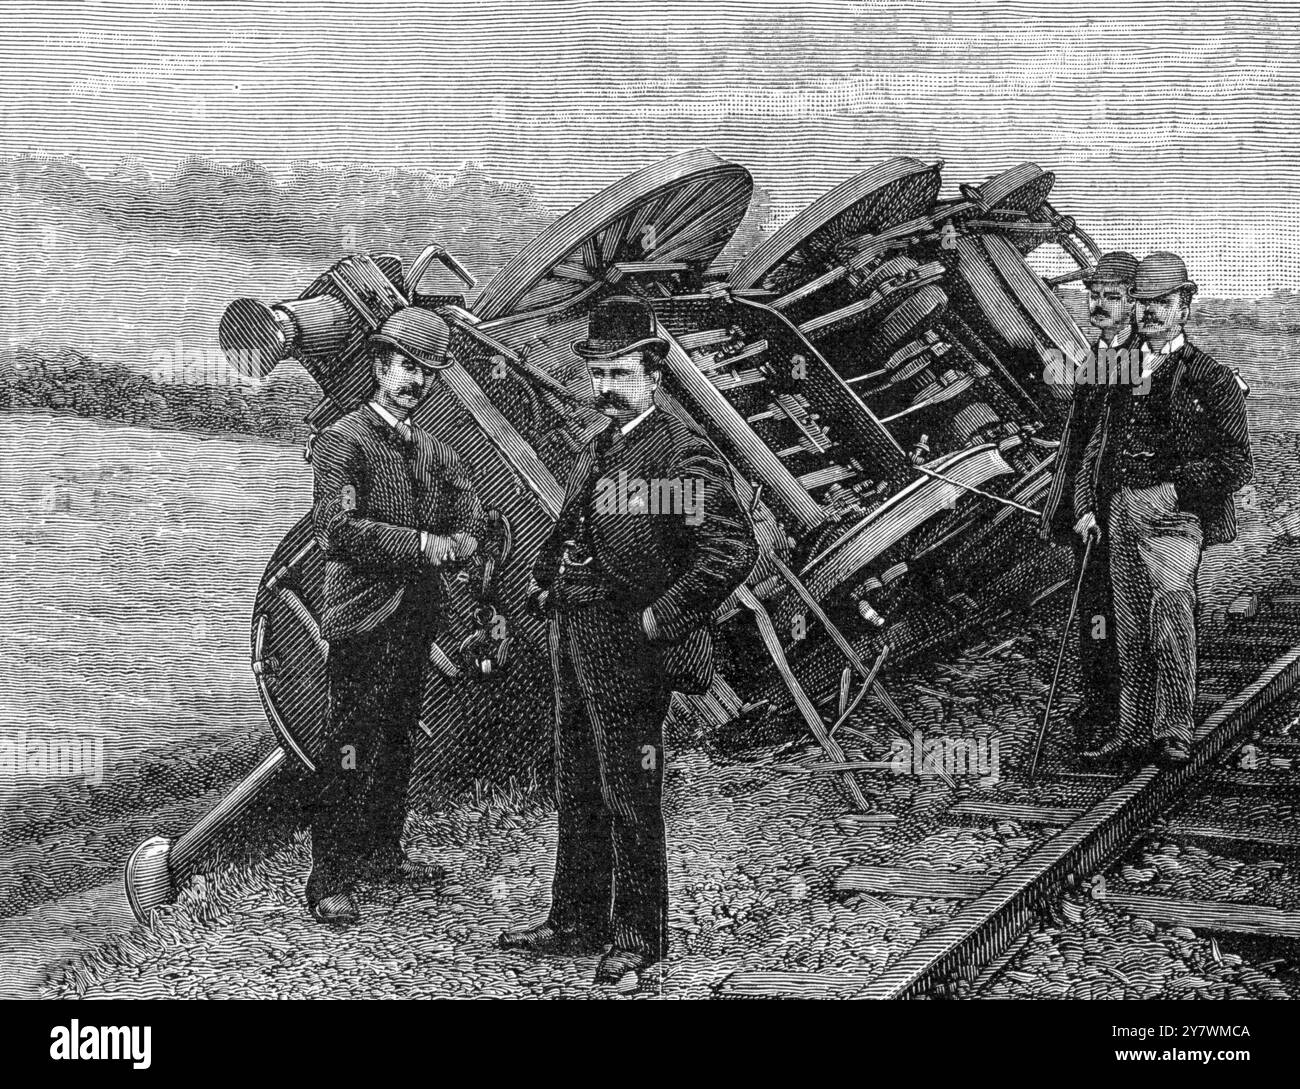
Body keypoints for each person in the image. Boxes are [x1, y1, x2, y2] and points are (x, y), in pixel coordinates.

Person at [500, 296, 759, 983]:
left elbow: (730, 550)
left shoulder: (679, 451)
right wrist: (543, 580)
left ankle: (639, 935)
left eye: (616, 374)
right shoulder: (601, 444)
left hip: (631, 645)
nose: (603, 389)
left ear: (652, 373)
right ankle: (575, 920)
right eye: (596, 374)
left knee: (630, 791)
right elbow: (573, 526)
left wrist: (657, 620)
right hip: (574, 634)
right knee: (578, 783)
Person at [307, 308, 483, 923]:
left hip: (416, 614)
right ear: (381, 367)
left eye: (426, 371)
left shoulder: (436, 450)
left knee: (398, 735)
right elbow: (338, 530)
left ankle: (381, 853)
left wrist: (466, 540)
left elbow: (471, 517)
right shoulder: (342, 439)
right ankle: (329, 877)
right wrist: (429, 545)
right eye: (406, 366)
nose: (415, 381)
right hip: (362, 615)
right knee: (349, 742)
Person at [1073, 253, 1252, 766]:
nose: (1150, 312)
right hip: (1120, 512)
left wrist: (1174, 491)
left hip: (1173, 518)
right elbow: (1096, 447)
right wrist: (1087, 506)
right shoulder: (1121, 367)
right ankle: (1132, 730)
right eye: (1145, 303)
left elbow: (1236, 463)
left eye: (1162, 303)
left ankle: (1173, 728)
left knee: (1170, 617)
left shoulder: (1209, 376)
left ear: (1185, 306)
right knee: (1127, 629)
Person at [1039, 251, 1138, 748]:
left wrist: (1088, 507)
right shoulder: (1102, 356)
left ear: (1135, 304)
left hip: (1113, 512)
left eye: (1112, 297)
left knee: (1116, 614)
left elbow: (1109, 448)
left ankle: (1115, 715)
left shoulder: (1135, 362)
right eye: (1094, 295)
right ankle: (1101, 705)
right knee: (1096, 613)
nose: (1098, 305)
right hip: (1090, 512)